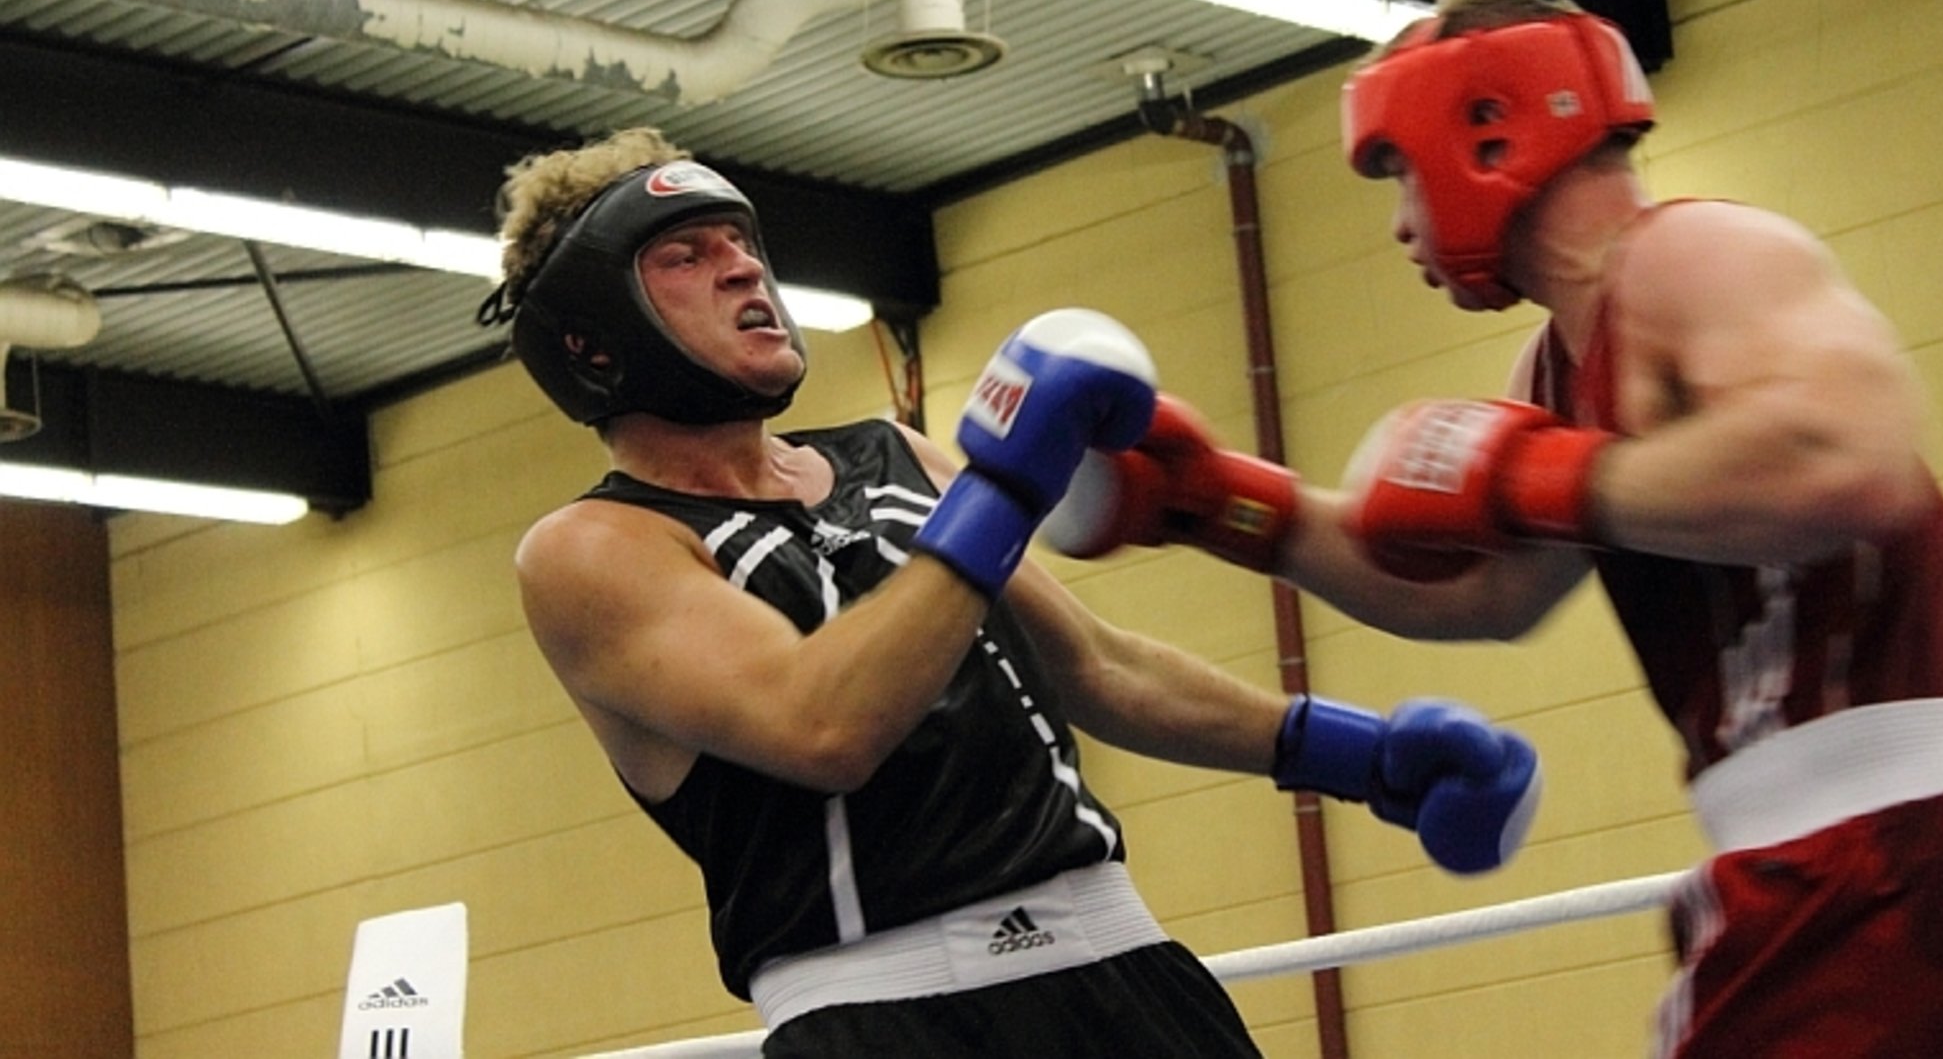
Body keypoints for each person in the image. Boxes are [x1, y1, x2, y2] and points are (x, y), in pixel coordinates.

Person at [1044, 0, 1943, 1058]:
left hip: (1926, 837)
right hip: (1841, 856)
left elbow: (1847, 457)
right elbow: (1479, 589)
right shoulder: (1559, 371)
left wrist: (1533, 477)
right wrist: (1215, 502)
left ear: (1481, 127)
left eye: (1395, 173)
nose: (1395, 223)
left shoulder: (1695, 255)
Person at [477, 126, 1542, 1059]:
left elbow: (1094, 665)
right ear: (592, 336)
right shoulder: (592, 549)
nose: (741, 270)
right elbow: (820, 723)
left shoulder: (890, 451)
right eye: (684, 255)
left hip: (1118, 960)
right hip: (887, 1011)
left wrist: (1361, 753)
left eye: (741, 242)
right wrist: (1006, 484)